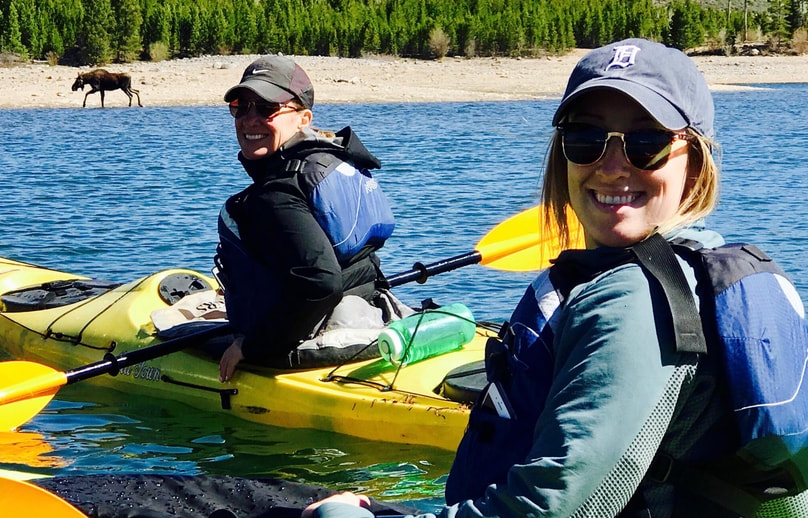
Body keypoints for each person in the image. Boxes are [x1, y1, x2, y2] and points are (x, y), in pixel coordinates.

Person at [304, 38, 799, 517]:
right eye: (584, 140)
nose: (610, 166)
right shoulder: (693, 265)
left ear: (695, 164)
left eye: (646, 142)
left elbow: (554, 505)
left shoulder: (634, 299)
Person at [215, 55, 400, 383]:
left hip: (314, 338)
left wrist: (252, 346)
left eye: (267, 108)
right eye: (241, 106)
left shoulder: (276, 194)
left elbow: (320, 284)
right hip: (366, 311)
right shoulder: (331, 162)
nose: (249, 119)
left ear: (303, 118)